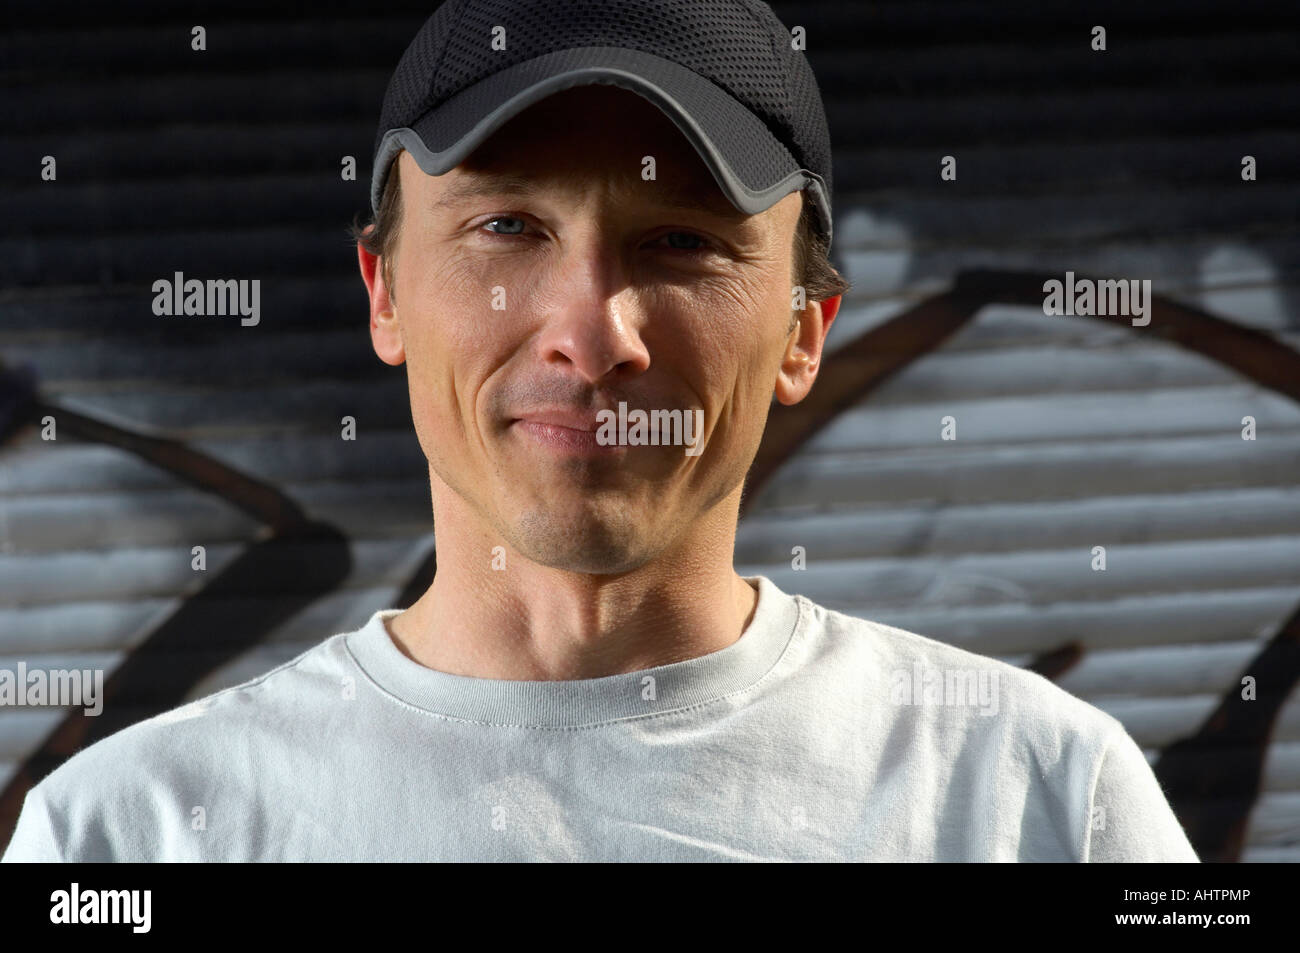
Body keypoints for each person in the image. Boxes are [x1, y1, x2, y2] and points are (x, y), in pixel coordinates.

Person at [2, 0, 1198, 862]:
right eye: (508, 228)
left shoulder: (1040, 796)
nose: (592, 333)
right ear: (383, 293)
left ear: (803, 331)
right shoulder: (123, 833)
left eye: (680, 240)